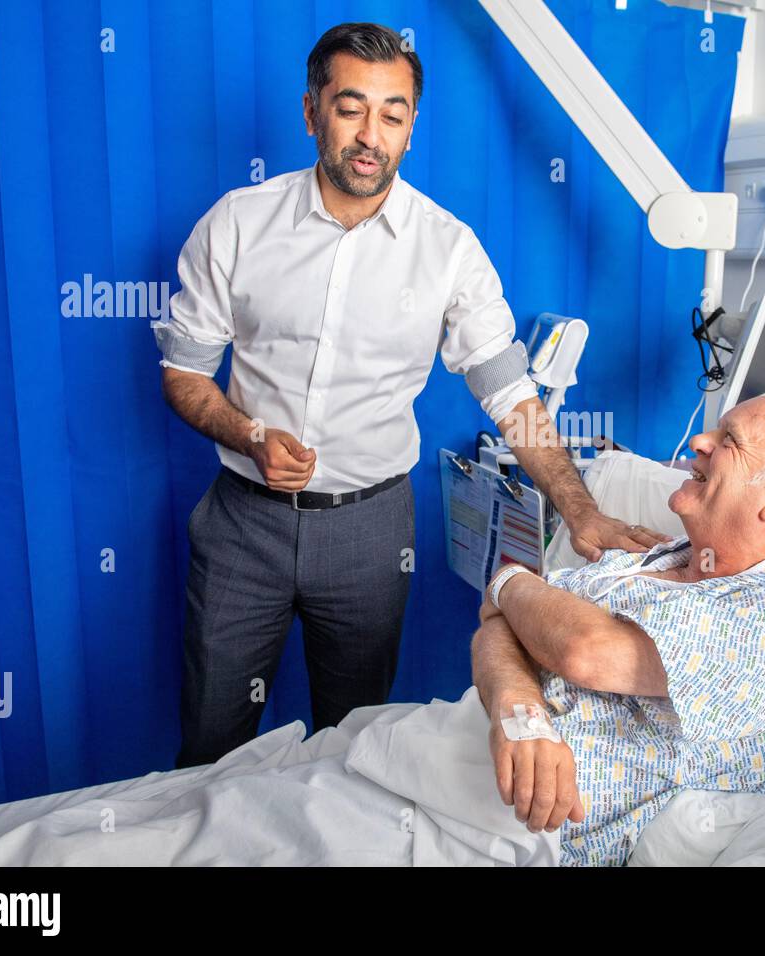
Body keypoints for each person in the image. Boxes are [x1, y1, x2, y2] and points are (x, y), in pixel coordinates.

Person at [158, 22, 668, 769]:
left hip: (370, 535)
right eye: (351, 107)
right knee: (210, 742)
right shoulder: (236, 223)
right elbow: (184, 374)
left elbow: (510, 394)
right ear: (311, 112)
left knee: (357, 745)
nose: (371, 135)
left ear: (411, 126)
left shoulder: (448, 249)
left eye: (392, 115)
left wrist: (579, 509)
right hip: (244, 526)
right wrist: (249, 436)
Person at [472, 391, 765, 865]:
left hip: (529, 836)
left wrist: (509, 580)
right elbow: (494, 626)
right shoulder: (656, 554)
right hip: (463, 762)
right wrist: (517, 707)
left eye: (730, 440)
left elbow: (585, 651)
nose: (700, 440)